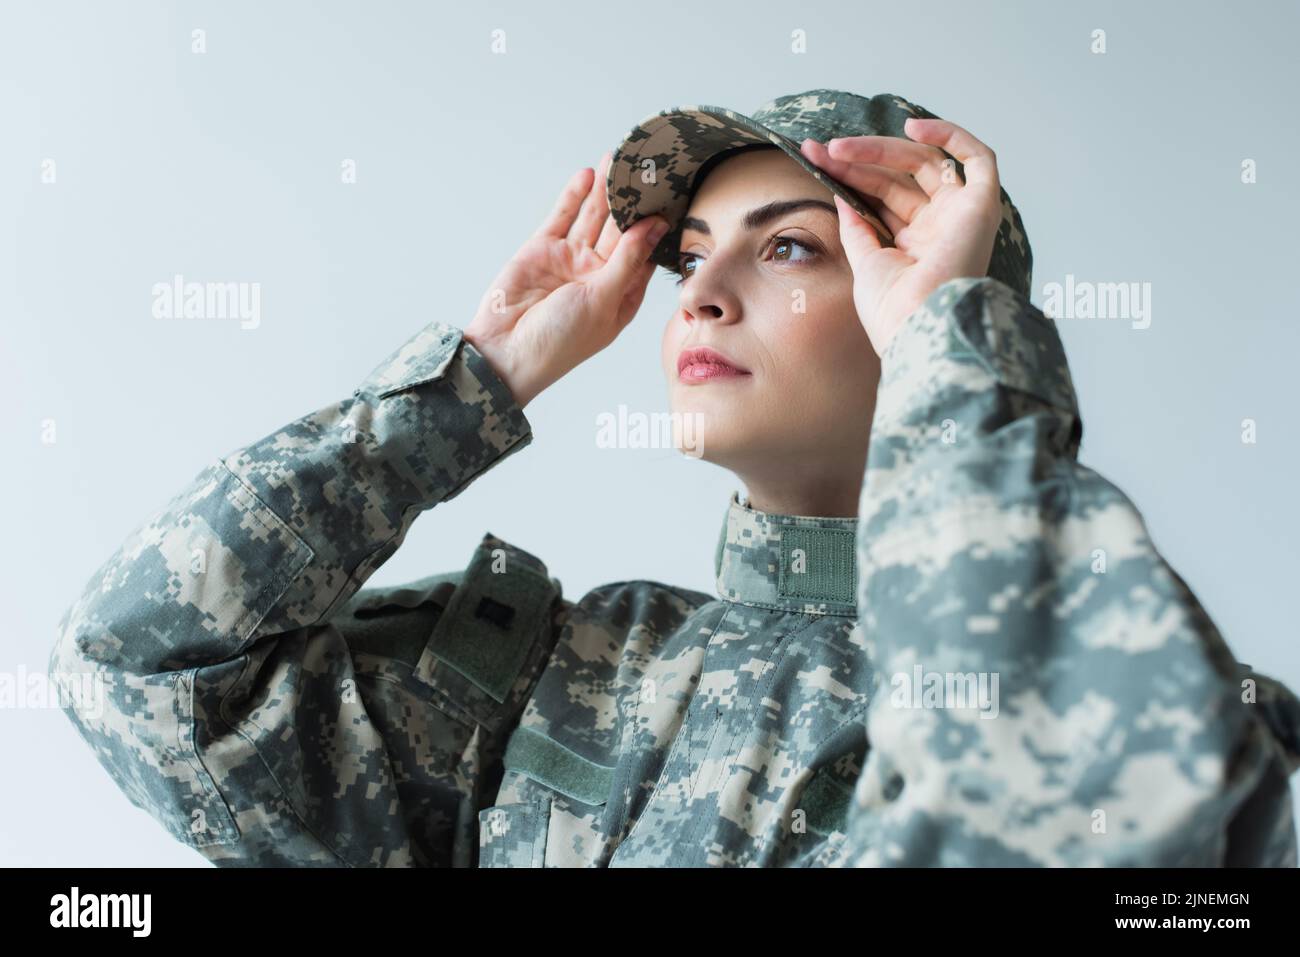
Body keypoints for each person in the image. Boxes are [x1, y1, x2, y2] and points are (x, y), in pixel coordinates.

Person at [50, 89, 1300, 867]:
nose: (698, 291)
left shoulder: (1209, 710)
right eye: (691, 255)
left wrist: (955, 356)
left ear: (929, 315)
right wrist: (470, 382)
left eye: (793, 249)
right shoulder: (563, 671)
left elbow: (1100, 810)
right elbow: (142, 675)